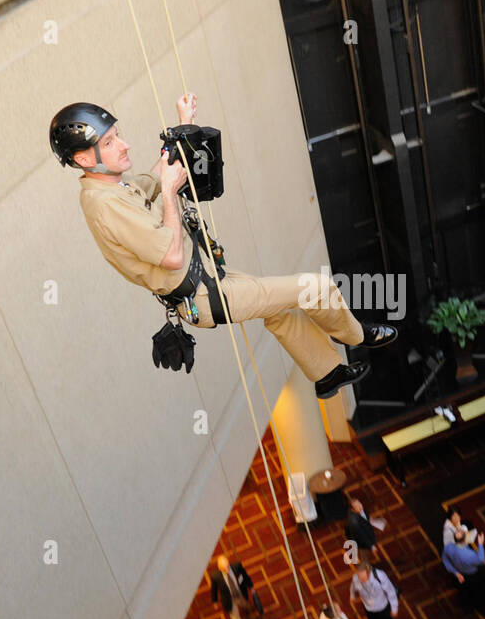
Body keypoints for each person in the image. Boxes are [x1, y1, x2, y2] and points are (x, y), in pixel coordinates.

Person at [52, 98, 397, 400]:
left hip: (207, 280)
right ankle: (356, 334)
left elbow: (157, 178)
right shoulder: (105, 206)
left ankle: (327, 373)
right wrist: (171, 194)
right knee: (318, 288)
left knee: (279, 311)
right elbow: (171, 256)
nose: (124, 145)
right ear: (84, 158)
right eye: (110, 142)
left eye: (118, 136)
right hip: (202, 294)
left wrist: (183, 124)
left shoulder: (114, 188)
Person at [208, 555, 262, 619]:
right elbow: (214, 589)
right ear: (219, 568)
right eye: (224, 568)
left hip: (241, 594)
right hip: (230, 600)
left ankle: (248, 609)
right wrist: (215, 601)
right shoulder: (215, 577)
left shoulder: (237, 566)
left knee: (246, 605)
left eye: (228, 566)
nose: (227, 570)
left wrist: (251, 587)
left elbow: (245, 576)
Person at [443, 528, 485, 615]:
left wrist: (455, 572)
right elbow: (481, 560)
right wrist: (480, 544)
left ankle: (468, 609)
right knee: (480, 592)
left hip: (460, 575)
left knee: (465, 593)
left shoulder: (448, 548)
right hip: (473, 575)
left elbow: (445, 560)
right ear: (465, 539)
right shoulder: (469, 555)